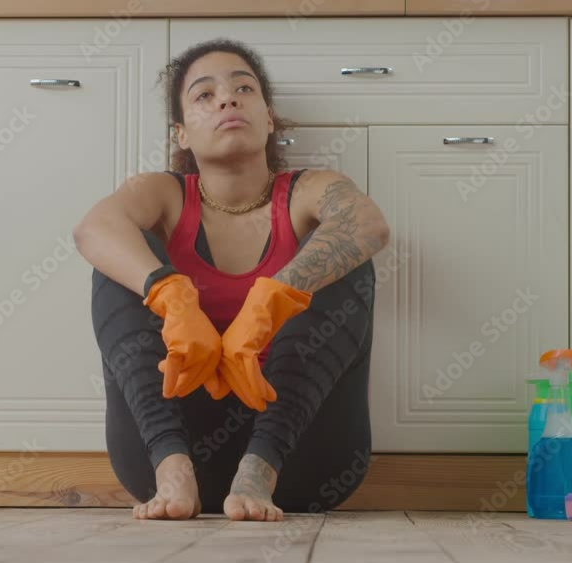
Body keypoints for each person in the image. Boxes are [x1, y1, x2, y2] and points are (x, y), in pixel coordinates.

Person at [73, 38, 390, 521]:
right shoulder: (162, 194)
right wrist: (171, 295)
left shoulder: (311, 189)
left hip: (302, 461)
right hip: (164, 454)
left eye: (244, 88)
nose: (227, 98)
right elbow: (92, 229)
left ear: (268, 119)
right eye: (204, 95)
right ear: (181, 134)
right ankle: (175, 472)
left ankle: (257, 471)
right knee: (119, 260)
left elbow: (369, 225)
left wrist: (272, 299)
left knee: (345, 255)